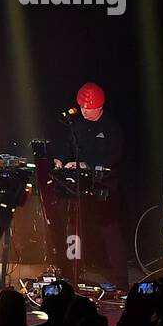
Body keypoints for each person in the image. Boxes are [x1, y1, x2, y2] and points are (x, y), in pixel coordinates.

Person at [53, 82, 128, 290]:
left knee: (110, 233)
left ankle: (122, 283)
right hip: (78, 188)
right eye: (82, 107)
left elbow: (115, 156)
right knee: (73, 231)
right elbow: (67, 147)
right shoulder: (76, 125)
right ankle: (71, 277)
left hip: (104, 187)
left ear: (100, 107)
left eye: (89, 107)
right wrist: (60, 159)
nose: (84, 110)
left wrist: (88, 164)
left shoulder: (112, 127)